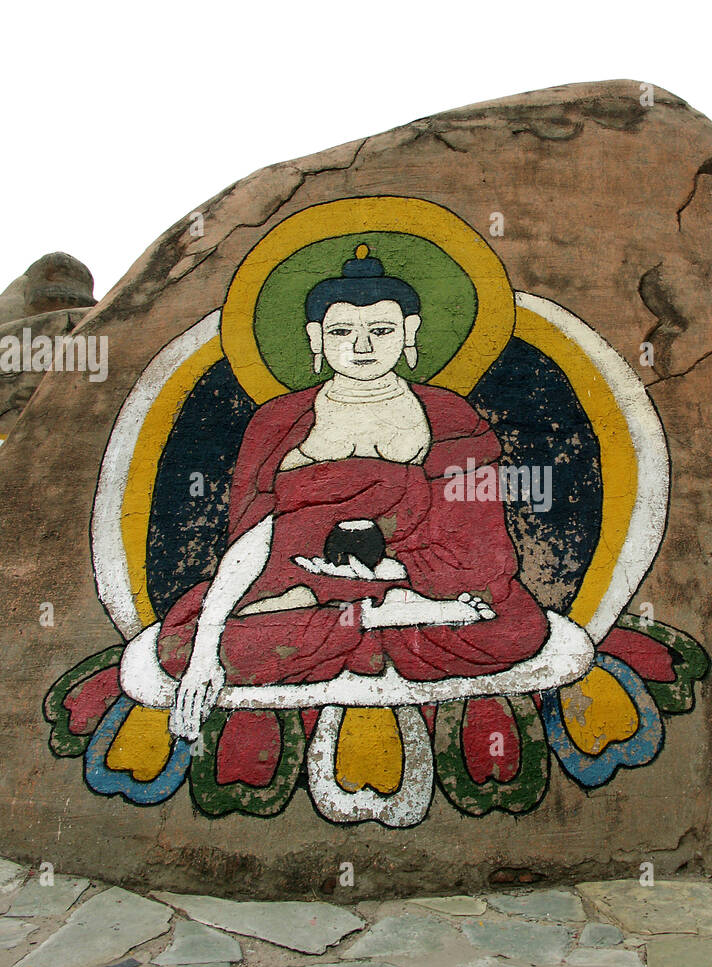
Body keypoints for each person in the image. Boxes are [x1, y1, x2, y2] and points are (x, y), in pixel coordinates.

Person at [161, 245, 549, 740]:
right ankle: (372, 618)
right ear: (315, 338)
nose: (361, 347)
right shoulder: (278, 421)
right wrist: (207, 645)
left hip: (418, 578)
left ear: (410, 333)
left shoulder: (449, 415)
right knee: (184, 643)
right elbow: (252, 536)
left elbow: (481, 541)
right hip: (293, 576)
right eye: (342, 331)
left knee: (516, 629)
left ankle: (362, 617)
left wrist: (392, 571)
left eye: (381, 331)